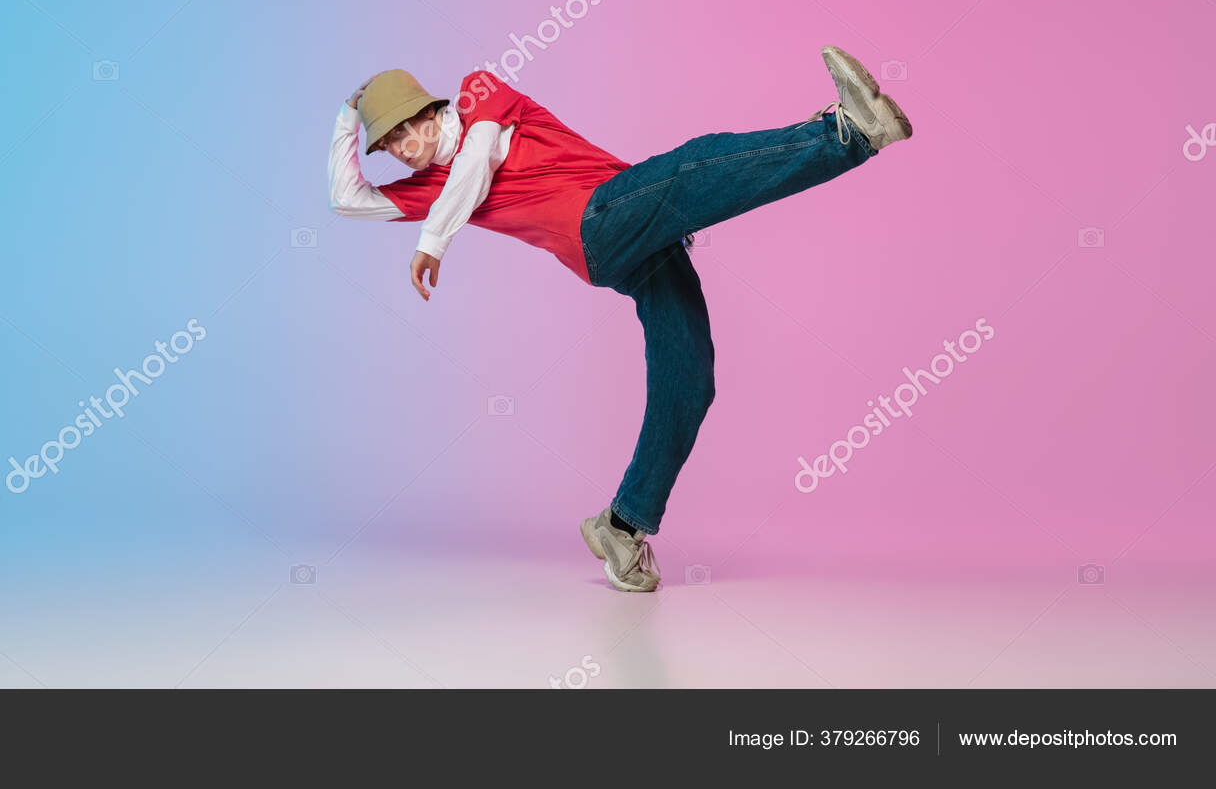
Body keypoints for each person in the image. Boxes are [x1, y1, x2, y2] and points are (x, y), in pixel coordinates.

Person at [327, 48, 912, 591]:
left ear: (433, 108)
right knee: (689, 167)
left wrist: (434, 238)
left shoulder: (479, 92)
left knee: (689, 377)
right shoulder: (432, 188)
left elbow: (477, 158)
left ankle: (622, 525)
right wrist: (347, 114)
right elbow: (346, 199)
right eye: (391, 143)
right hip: (598, 231)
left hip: (627, 215)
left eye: (409, 126)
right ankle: (846, 134)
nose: (404, 147)